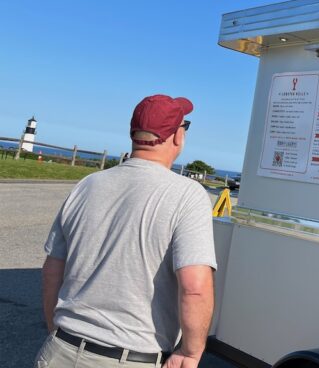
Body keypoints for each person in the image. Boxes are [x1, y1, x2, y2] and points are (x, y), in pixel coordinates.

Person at [35, 94, 217, 368]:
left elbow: (52, 269)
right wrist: (191, 352)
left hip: (60, 350)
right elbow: (195, 288)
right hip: (131, 358)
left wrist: (56, 332)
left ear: (134, 134)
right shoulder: (187, 195)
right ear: (177, 136)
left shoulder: (87, 185)